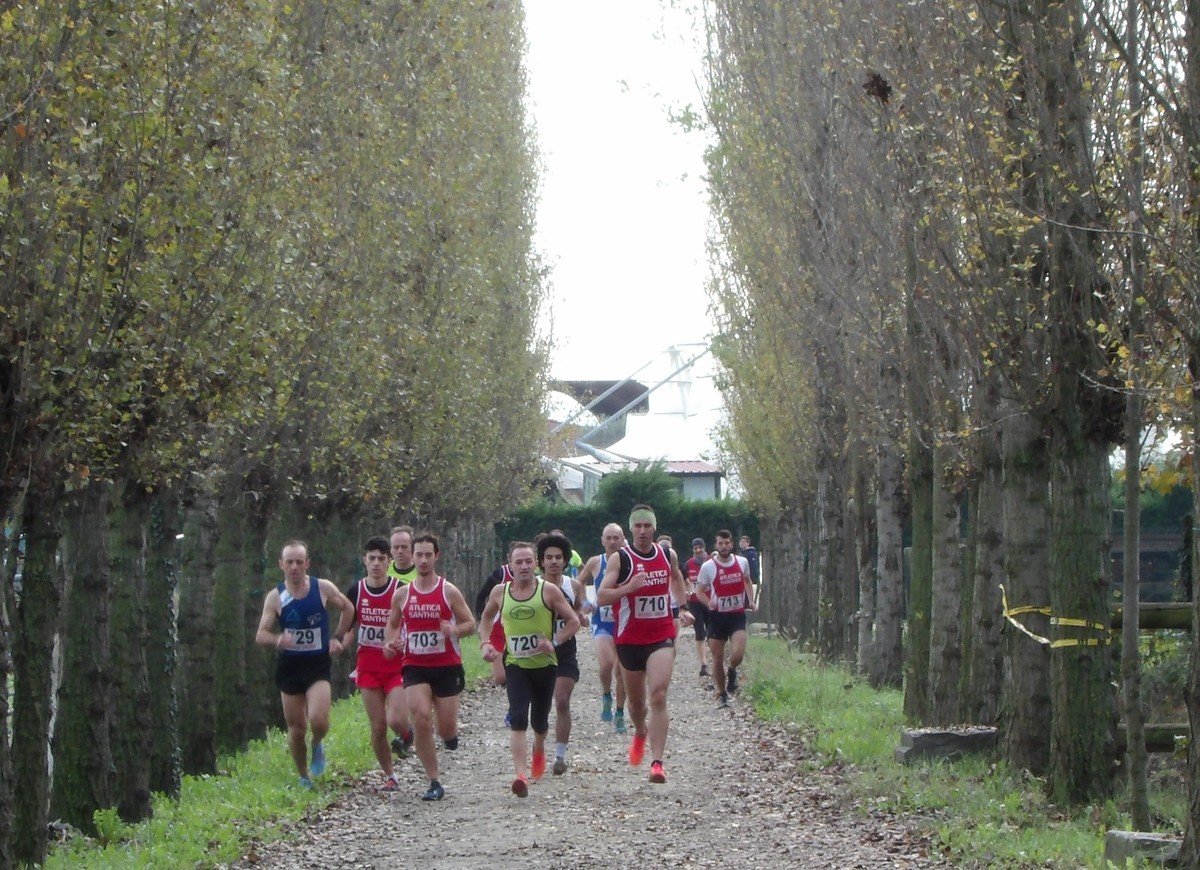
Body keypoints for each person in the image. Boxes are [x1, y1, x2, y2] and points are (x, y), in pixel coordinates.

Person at [597, 505, 693, 784]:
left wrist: (682, 606)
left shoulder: (667, 554)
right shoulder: (620, 559)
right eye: (637, 526)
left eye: (646, 526)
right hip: (629, 639)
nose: (642, 531)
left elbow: (676, 578)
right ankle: (640, 730)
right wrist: (629, 588)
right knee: (637, 704)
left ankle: (657, 763)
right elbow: (602, 596)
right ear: (631, 530)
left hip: (661, 635)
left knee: (659, 695)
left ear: (654, 528)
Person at [479, 541, 580, 796]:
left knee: (540, 720)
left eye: (528, 561)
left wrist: (554, 642)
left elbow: (573, 621)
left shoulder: (548, 591)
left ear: (535, 563)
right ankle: (520, 775)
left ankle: (539, 745)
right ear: (509, 564)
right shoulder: (500, 592)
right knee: (518, 717)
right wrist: (485, 642)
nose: (523, 566)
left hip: (545, 666)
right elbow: (486, 617)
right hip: (516, 664)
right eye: (518, 562)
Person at [383, 532, 476, 801]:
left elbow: (470, 622)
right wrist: (392, 643)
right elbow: (393, 624)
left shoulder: (448, 591)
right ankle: (434, 781)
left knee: (446, 728)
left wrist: (454, 630)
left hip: (446, 665)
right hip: (414, 665)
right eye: (418, 555)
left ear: (436, 556)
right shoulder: (402, 595)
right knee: (421, 718)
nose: (423, 560)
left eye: (428, 555)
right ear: (412, 557)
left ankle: (449, 735)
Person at [255, 540, 355, 789]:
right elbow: (260, 635)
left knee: (319, 720)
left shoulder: (322, 588)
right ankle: (303, 776)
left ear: (307, 563)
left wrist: (337, 637)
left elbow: (348, 608)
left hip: (317, 664)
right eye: (289, 562)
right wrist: (279, 639)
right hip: (290, 667)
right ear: (281, 565)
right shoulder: (276, 597)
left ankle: (317, 744)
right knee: (296, 728)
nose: (294, 567)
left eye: (299, 561)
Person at [341, 536, 413, 791]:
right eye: (371, 559)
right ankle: (390, 775)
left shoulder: (400, 589)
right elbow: (350, 626)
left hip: (396, 664)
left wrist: (404, 642)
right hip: (368, 664)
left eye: (381, 559)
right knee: (378, 725)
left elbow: (411, 624)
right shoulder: (356, 590)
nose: (376, 564)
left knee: (395, 718)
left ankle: (406, 734)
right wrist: (341, 642)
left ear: (389, 561)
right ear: (364, 560)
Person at [537, 531, 584, 774]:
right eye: (549, 557)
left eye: (558, 557)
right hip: (536, 654)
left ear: (566, 561)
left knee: (562, 700)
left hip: (564, 650)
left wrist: (581, 616)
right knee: (540, 706)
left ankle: (560, 756)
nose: (554, 562)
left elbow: (577, 613)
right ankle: (538, 747)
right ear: (541, 561)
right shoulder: (532, 586)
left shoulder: (573, 585)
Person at [577, 523, 628, 733]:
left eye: (616, 537)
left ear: (623, 539)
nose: (613, 541)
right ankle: (606, 694)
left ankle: (619, 712)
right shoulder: (596, 562)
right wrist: (582, 604)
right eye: (609, 537)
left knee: (622, 672)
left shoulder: (630, 560)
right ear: (602, 540)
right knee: (607, 665)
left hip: (625, 623)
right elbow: (579, 582)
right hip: (602, 623)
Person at [697, 530, 756, 707]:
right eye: (720, 544)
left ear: (732, 544)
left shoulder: (742, 562)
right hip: (717, 617)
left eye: (727, 543)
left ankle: (732, 670)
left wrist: (751, 601)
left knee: (738, 654)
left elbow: (747, 580)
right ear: (716, 546)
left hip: (737, 615)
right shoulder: (708, 567)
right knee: (717, 658)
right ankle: (722, 693)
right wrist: (709, 604)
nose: (724, 547)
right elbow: (699, 592)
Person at [684, 537, 712, 679]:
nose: (698, 550)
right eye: (695, 548)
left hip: (710, 601)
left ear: (704, 548)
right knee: (700, 632)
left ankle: (715, 660)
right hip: (695, 602)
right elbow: (685, 581)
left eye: (700, 547)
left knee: (713, 632)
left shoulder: (711, 561)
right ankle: (703, 664)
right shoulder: (689, 564)